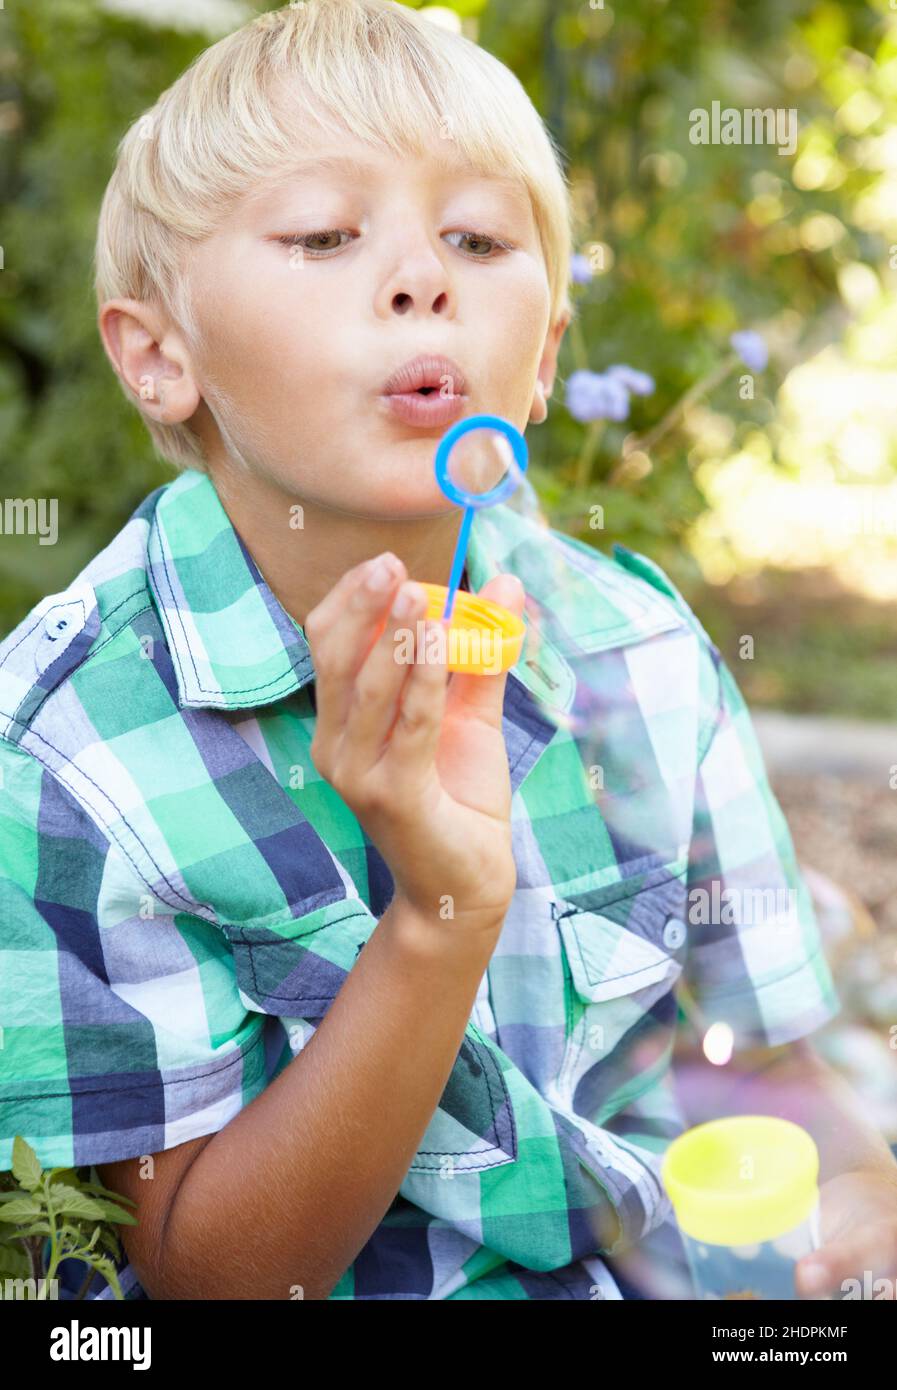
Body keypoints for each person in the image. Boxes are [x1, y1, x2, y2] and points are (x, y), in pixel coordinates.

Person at [2, 0, 895, 1302]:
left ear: (538, 365)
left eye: (476, 239)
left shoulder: (637, 655)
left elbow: (763, 1062)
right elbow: (203, 1274)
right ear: (157, 354)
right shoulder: (71, 753)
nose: (423, 277)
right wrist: (438, 916)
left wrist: (860, 1196)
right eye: (324, 233)